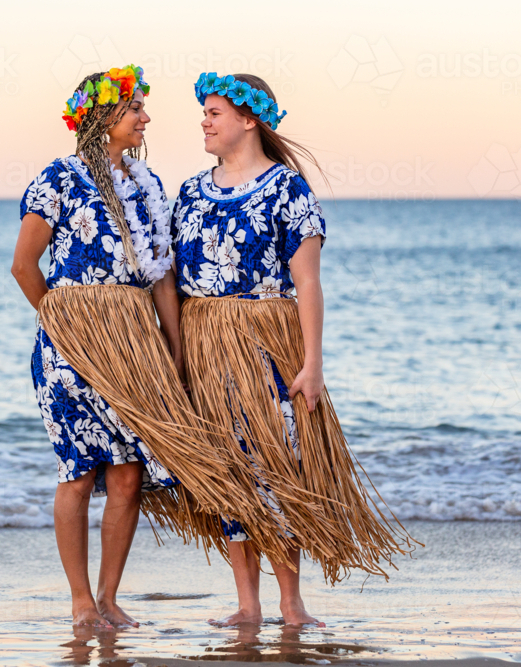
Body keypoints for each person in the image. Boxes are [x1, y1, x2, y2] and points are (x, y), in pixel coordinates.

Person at [171, 72, 416, 628]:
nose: (204, 121)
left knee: (278, 465)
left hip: (268, 345)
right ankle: (247, 605)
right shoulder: (189, 191)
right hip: (208, 346)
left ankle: (291, 603)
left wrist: (312, 365)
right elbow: (172, 281)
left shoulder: (287, 189)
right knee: (229, 470)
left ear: (249, 119)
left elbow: (307, 283)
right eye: (204, 113)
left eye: (214, 112)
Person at [11, 65, 251, 630]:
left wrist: (176, 350)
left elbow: (163, 278)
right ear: (102, 117)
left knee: (127, 475)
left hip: (136, 341)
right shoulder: (60, 179)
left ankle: (109, 597)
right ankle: (78, 602)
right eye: (134, 108)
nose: (146, 117)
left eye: (142, 108)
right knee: (78, 469)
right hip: (73, 344)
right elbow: (24, 266)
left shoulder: (150, 187)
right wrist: (65, 323)